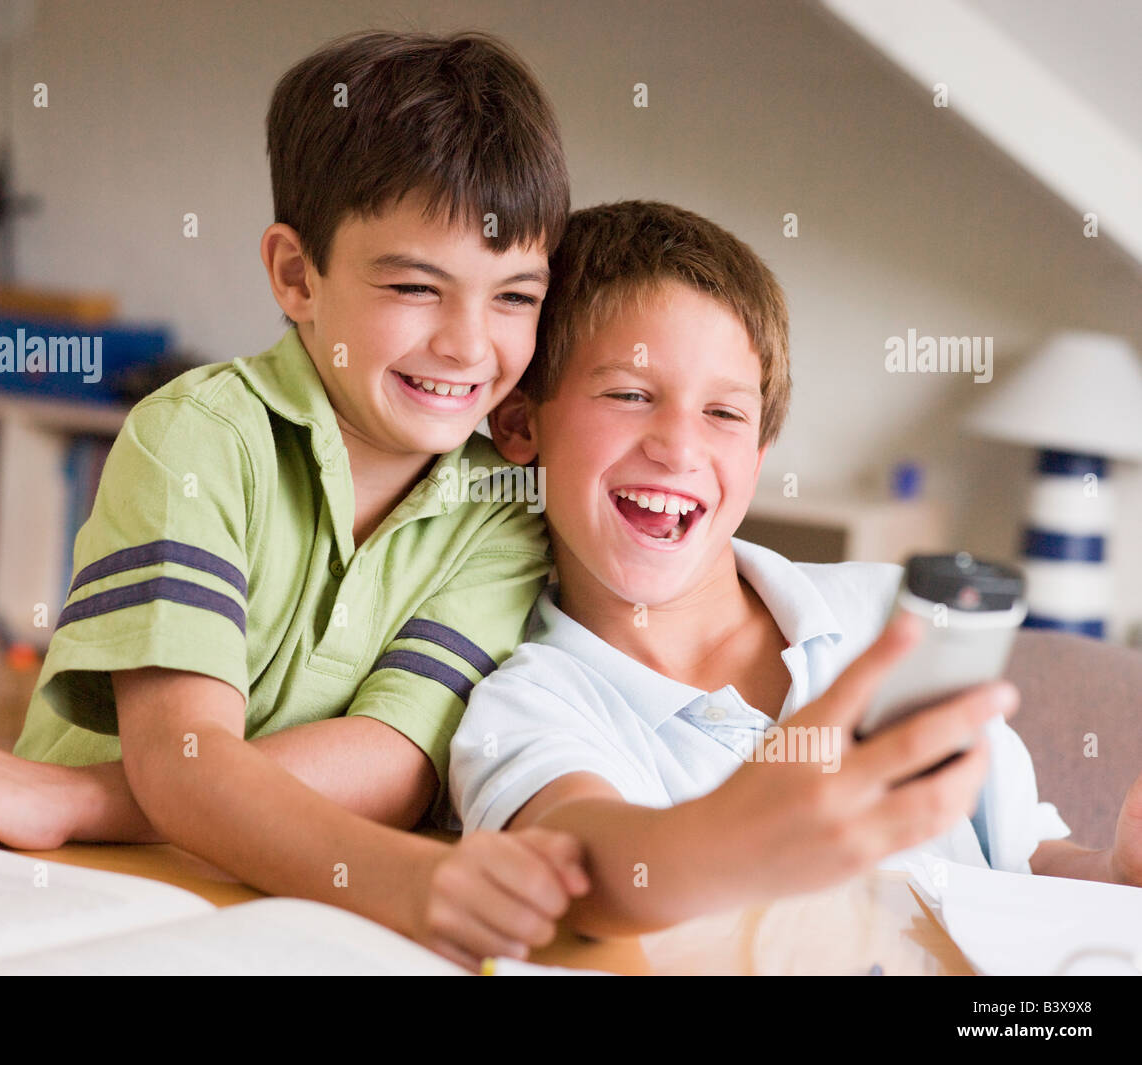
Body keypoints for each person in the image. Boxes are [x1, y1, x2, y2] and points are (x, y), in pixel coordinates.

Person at [0, 30, 587, 972]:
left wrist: (75, 797)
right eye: (416, 286)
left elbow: (395, 758)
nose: (467, 344)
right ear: (296, 275)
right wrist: (418, 884)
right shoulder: (198, 439)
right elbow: (185, 757)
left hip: (283, 914)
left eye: (515, 297)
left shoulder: (504, 505)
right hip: (75, 889)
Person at [451, 200, 1141, 938]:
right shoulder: (530, 702)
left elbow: (1024, 859)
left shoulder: (889, 616)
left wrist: (1117, 874)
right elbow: (576, 867)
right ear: (520, 422)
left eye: (724, 413)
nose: (679, 448)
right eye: (629, 394)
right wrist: (746, 830)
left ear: (758, 456)